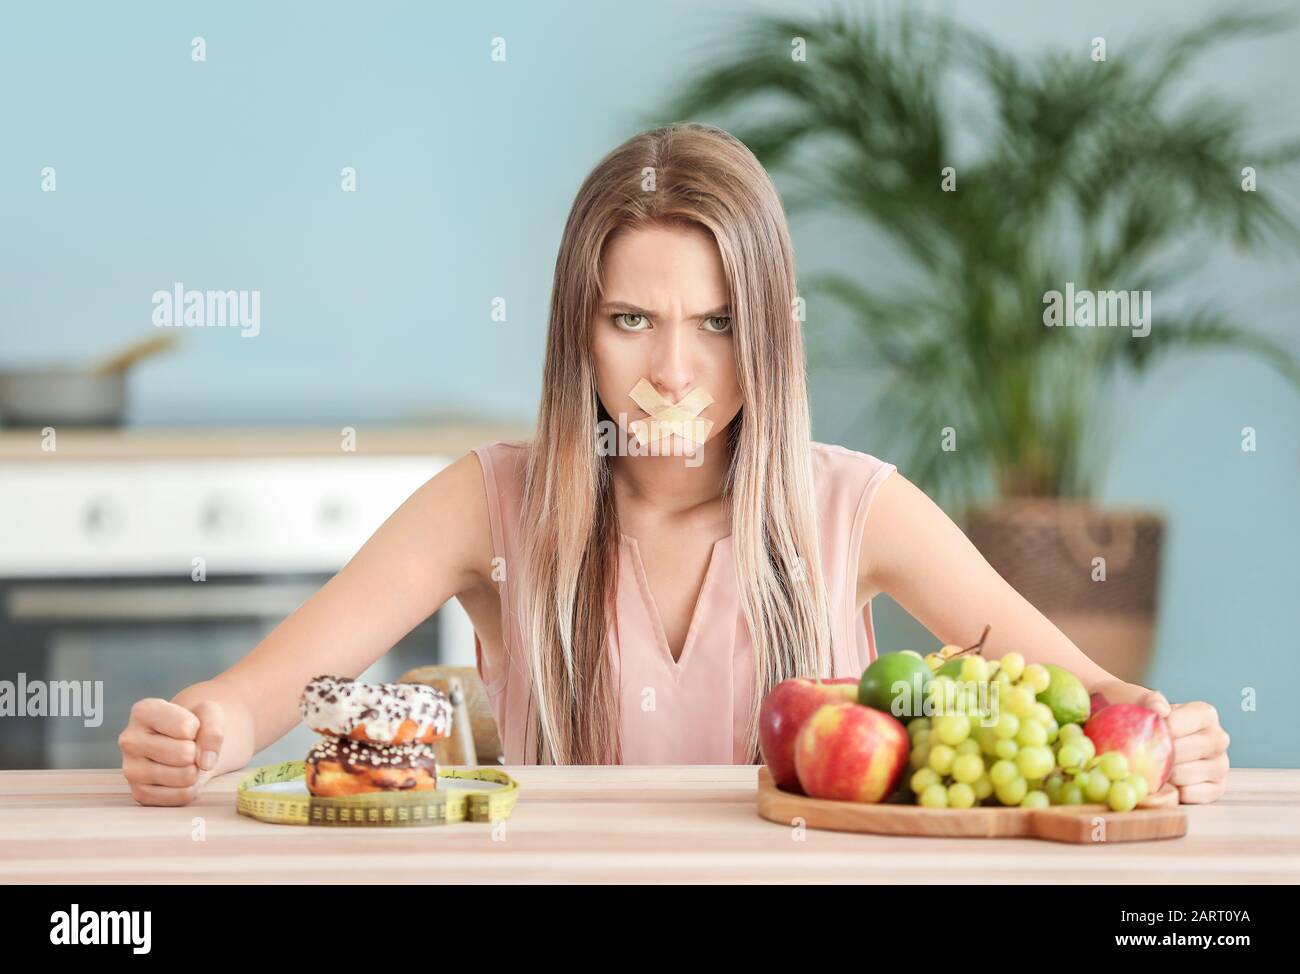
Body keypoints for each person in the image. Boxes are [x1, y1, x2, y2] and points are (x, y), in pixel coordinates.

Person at [118, 123, 1229, 805]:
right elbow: (257, 696)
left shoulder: (855, 505)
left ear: (770, 335)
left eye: (716, 323)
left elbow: (1093, 700)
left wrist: (1169, 728)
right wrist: (195, 731)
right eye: (631, 319)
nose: (675, 371)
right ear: (577, 333)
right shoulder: (488, 501)